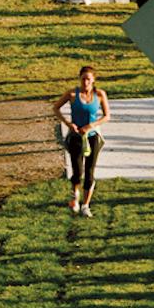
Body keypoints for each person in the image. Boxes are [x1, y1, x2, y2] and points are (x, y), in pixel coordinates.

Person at [59, 65, 108, 215]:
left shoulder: (99, 95)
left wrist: (91, 126)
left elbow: (107, 116)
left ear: (93, 80)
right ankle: (75, 197)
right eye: (83, 79)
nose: (85, 82)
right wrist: (68, 123)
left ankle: (86, 205)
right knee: (77, 170)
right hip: (76, 137)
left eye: (88, 79)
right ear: (80, 79)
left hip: (93, 137)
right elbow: (56, 108)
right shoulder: (72, 94)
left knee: (90, 171)